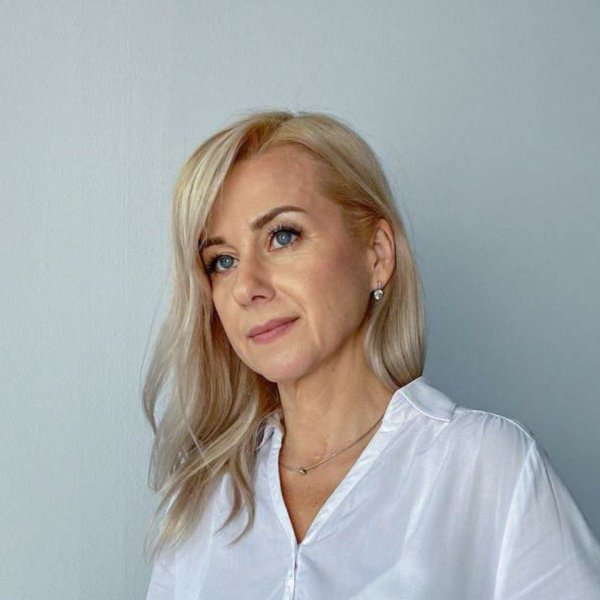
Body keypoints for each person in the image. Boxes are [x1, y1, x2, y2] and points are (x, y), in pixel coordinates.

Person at [143, 110, 600, 599]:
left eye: (283, 236)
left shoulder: (484, 468)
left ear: (377, 255)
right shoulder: (201, 502)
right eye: (222, 261)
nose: (246, 287)